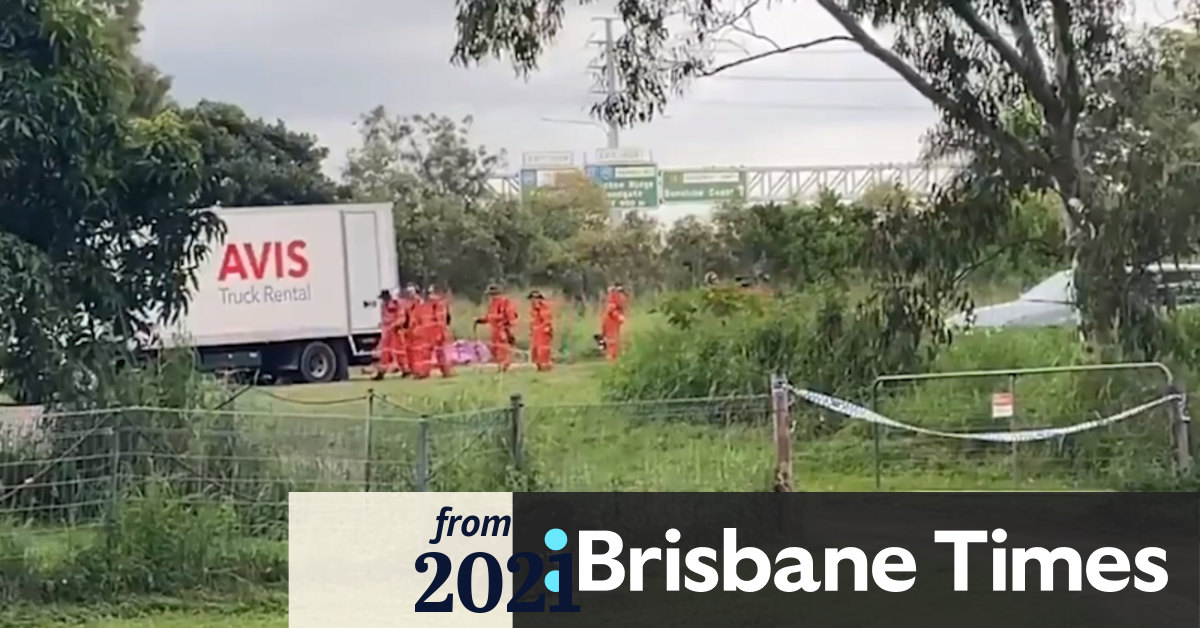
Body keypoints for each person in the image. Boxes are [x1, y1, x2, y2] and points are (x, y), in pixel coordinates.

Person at [476, 284, 517, 372]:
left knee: (503, 349)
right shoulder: (492, 304)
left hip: (502, 329)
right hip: (494, 330)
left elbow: (509, 316)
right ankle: (501, 366)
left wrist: (509, 329)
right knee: (495, 350)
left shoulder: (505, 303)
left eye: (492, 294)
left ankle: (504, 367)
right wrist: (481, 320)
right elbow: (489, 316)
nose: (491, 297)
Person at [372, 289, 405, 379]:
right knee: (385, 353)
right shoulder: (384, 305)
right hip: (387, 332)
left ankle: (406, 370)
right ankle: (381, 372)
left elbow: (401, 318)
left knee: (399, 352)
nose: (384, 300)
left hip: (396, 331)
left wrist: (393, 325)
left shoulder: (397, 304)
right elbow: (385, 318)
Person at [404, 284, 433, 379]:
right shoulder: (410, 304)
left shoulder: (419, 303)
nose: (410, 294)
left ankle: (423, 371)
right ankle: (417, 371)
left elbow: (421, 317)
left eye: (411, 292)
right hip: (413, 331)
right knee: (414, 353)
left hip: (421, 330)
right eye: (408, 293)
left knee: (422, 352)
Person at [426, 285, 453, 377]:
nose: (430, 296)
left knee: (440, 352)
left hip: (437, 331)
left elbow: (440, 320)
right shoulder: (437, 304)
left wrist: (439, 333)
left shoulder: (438, 305)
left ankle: (446, 371)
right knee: (438, 352)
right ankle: (445, 371)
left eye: (431, 294)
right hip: (434, 331)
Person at [600, 283, 627, 362]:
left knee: (614, 340)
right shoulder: (613, 297)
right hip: (611, 321)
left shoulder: (616, 297)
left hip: (612, 321)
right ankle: (612, 359)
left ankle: (614, 358)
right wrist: (619, 317)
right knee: (612, 340)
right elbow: (611, 310)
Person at [528, 289, 553, 372]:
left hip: (542, 333)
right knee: (535, 351)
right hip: (535, 333)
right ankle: (539, 367)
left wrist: (539, 329)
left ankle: (546, 368)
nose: (533, 300)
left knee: (542, 351)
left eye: (535, 298)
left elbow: (547, 321)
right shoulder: (533, 309)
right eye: (532, 298)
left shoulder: (543, 308)